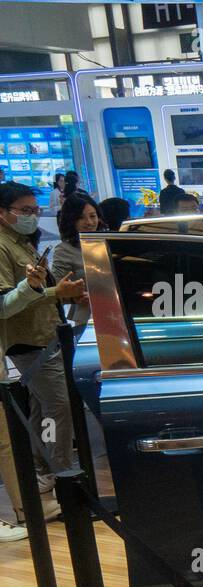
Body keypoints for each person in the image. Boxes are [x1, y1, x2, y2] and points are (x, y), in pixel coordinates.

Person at [0, 182, 85, 511]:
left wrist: (56, 293)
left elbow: (32, 293)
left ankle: (44, 476)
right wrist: (34, 286)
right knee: (58, 409)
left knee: (44, 410)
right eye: (25, 211)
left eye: (35, 211)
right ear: (3, 212)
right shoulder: (3, 246)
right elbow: (5, 305)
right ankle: (65, 479)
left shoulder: (20, 241)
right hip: (28, 344)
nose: (33, 216)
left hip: (45, 336)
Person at [52, 192, 102, 332]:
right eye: (81, 218)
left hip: (119, 313)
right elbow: (57, 290)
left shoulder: (108, 242)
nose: (89, 222)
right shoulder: (64, 250)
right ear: (71, 220)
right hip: (88, 318)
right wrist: (75, 296)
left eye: (93, 216)